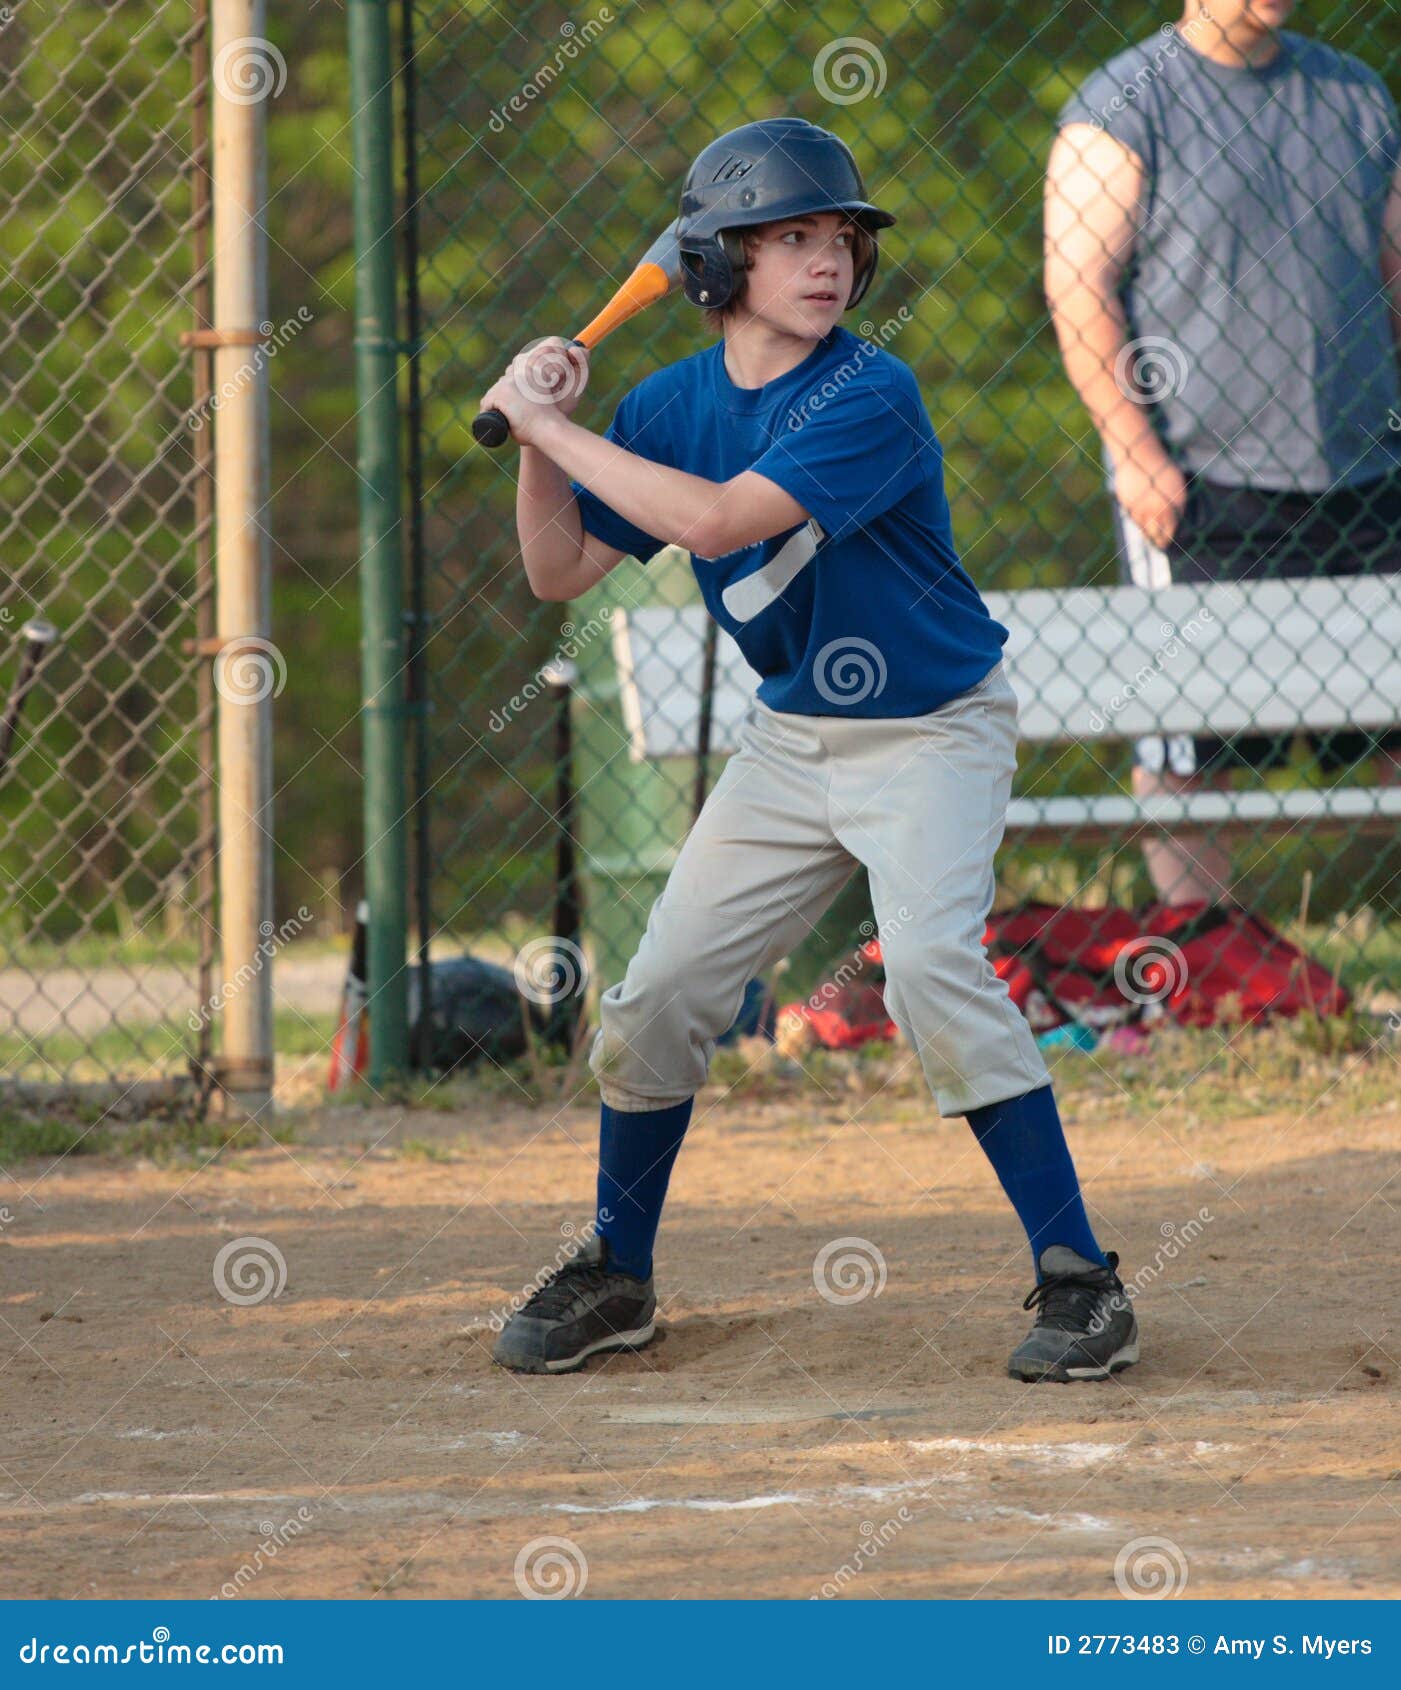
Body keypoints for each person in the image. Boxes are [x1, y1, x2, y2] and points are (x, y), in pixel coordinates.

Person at [476, 117, 1137, 1385]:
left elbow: (723, 521)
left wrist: (548, 429)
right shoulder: (665, 406)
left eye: (840, 237)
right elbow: (557, 568)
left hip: (933, 731)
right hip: (793, 742)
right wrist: (545, 436)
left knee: (932, 970)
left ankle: (1081, 1280)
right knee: (657, 997)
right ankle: (617, 1271)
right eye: (789, 238)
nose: (828, 259)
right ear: (716, 263)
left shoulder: (869, 391)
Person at [1047, 0, 1401, 904]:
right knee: (1189, 751)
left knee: (1392, 730)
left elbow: (1395, 275)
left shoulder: (1355, 93)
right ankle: (1198, 958)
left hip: (1368, 473)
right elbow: (1078, 289)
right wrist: (1136, 452)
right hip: (1199, 481)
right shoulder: (1123, 103)